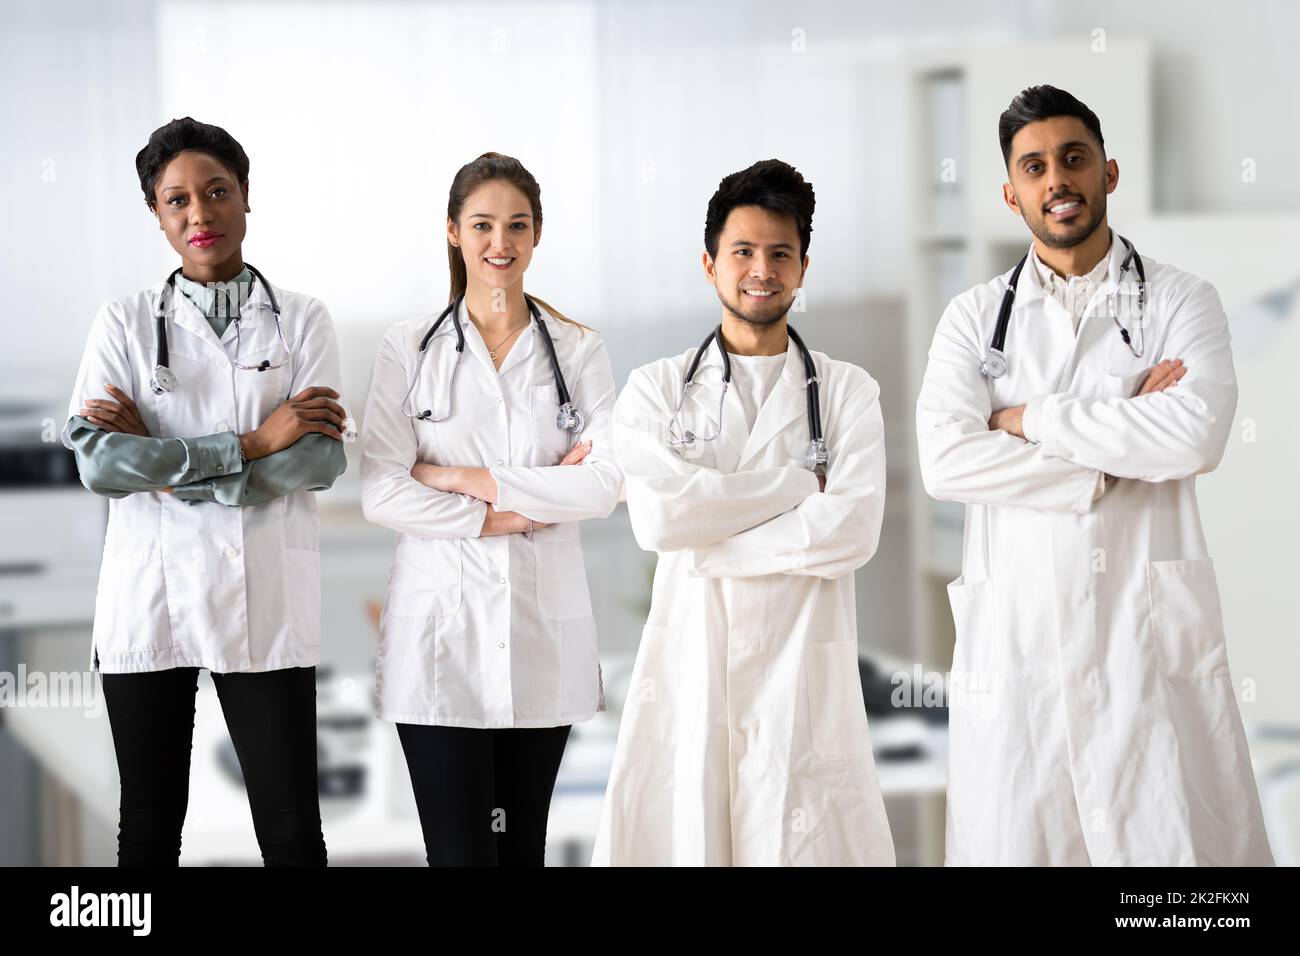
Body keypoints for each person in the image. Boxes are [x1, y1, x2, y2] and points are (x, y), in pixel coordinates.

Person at [916, 85, 1273, 866]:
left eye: (1074, 159)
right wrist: (1113, 432)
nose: (1058, 180)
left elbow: (1192, 436)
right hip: (1020, 655)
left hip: (1143, 650)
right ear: (1012, 193)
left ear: (1109, 172)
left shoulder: (1182, 300)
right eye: (1035, 166)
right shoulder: (974, 319)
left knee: (1174, 886)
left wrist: (1030, 419)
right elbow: (945, 461)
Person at [592, 159, 896, 866]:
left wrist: (712, 541)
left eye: (780, 253)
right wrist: (795, 487)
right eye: (743, 252)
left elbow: (851, 531)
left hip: (804, 685)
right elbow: (661, 524)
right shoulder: (656, 390)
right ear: (710, 264)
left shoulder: (848, 393)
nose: (762, 269)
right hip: (689, 675)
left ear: (802, 267)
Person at [63, 117, 348, 866]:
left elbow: (316, 463)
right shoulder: (123, 323)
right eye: (176, 200)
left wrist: (156, 464)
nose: (200, 214)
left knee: (290, 829)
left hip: (267, 593)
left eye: (217, 192)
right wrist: (255, 444)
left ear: (246, 197)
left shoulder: (302, 320)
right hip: (148, 592)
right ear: (156, 215)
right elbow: (97, 464)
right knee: (149, 828)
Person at [360, 152, 622, 866]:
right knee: (461, 856)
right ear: (452, 231)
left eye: (516, 225)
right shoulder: (408, 347)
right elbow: (381, 490)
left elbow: (605, 484)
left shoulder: (578, 350)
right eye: (482, 224)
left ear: (537, 235)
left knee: (521, 853)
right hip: (438, 649)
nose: (498, 243)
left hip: (541, 640)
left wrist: (457, 477)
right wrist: (513, 510)